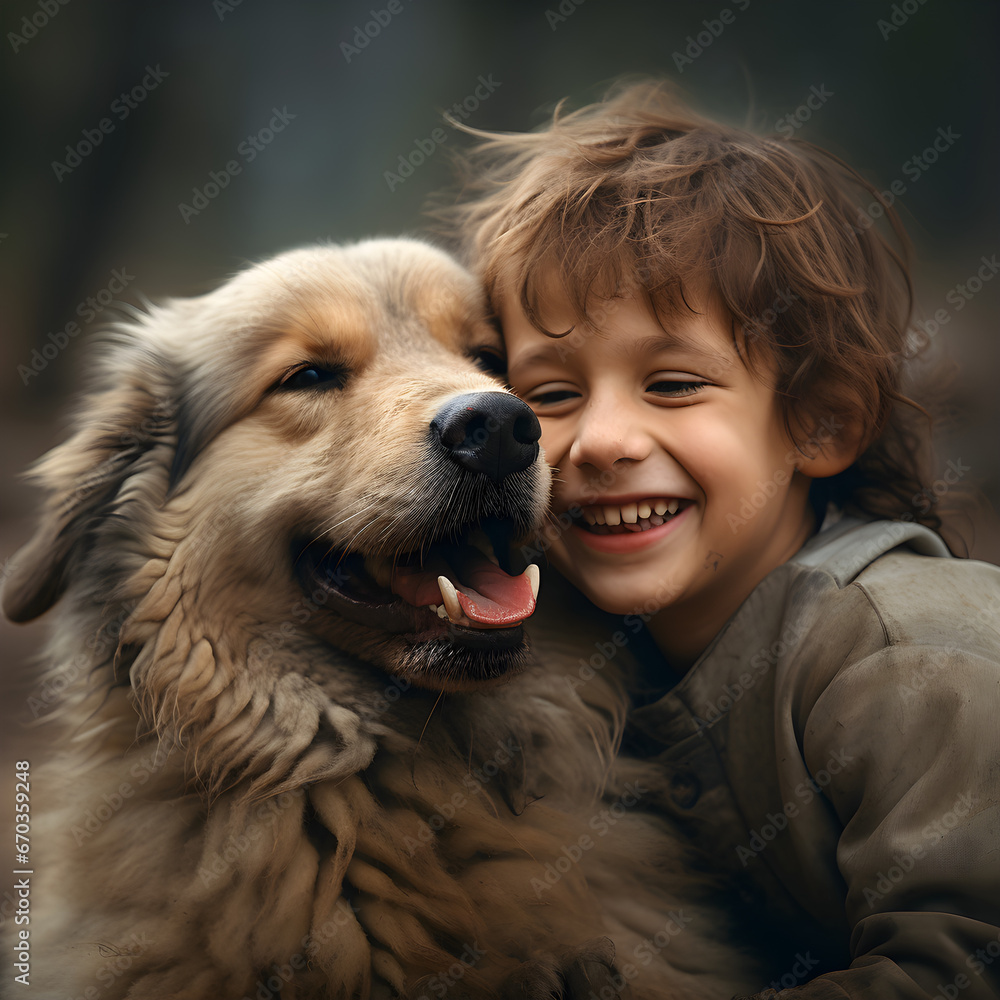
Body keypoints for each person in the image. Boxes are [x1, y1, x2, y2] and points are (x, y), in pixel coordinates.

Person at [439, 80, 1000, 998]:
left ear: (818, 422)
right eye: (551, 394)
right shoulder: (574, 640)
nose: (604, 441)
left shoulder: (905, 652)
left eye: (673, 385)